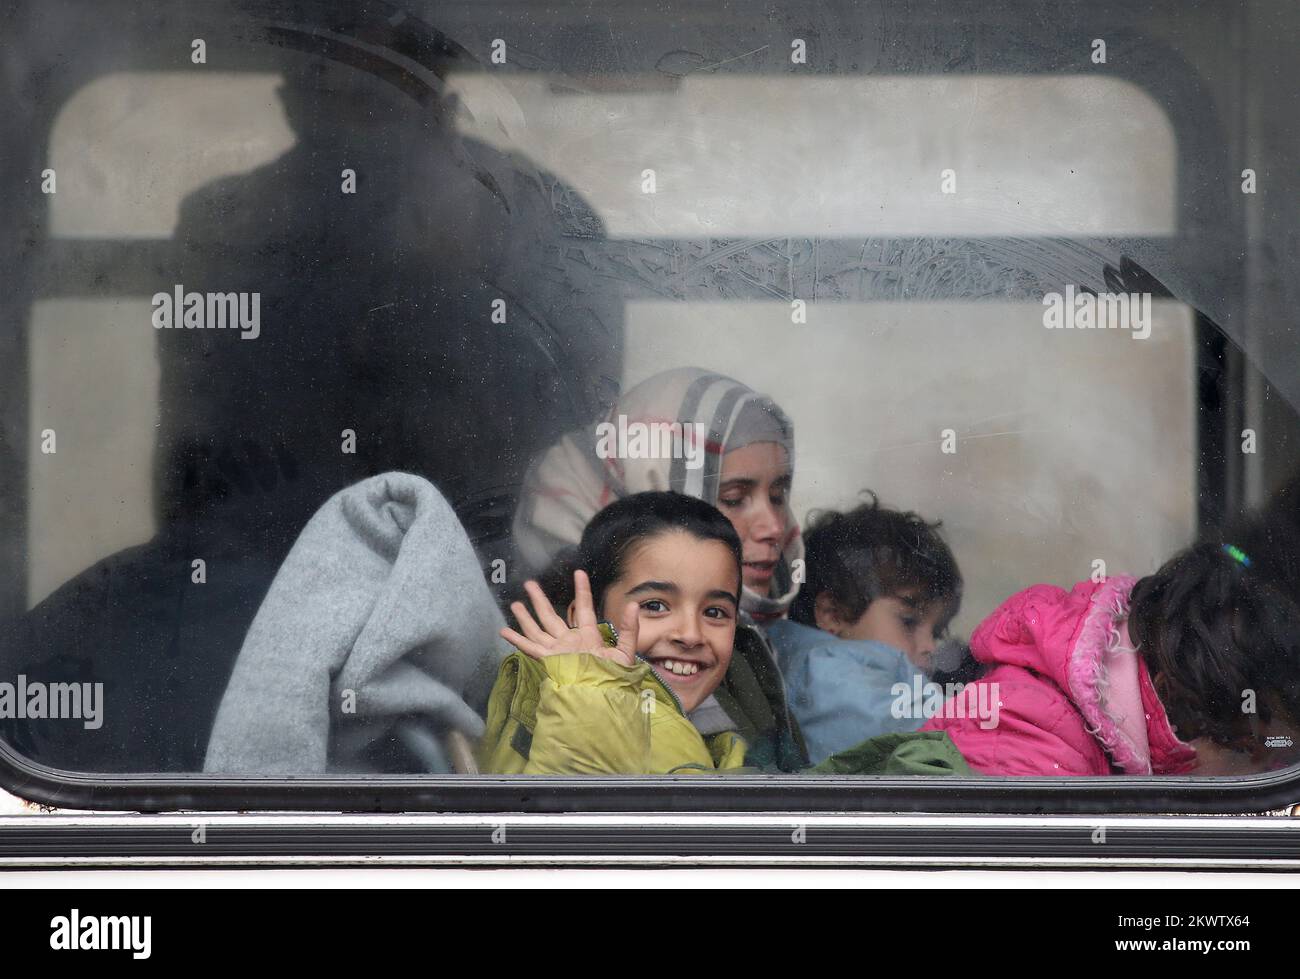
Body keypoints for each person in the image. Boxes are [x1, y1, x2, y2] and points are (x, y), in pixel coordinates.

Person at [479, 492, 969, 776]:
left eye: (716, 612)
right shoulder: (554, 696)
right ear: (583, 616)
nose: (691, 633)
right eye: (655, 605)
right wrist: (587, 678)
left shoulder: (728, 726)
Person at [920, 534, 1300, 776]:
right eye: (1254, 750)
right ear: (1180, 708)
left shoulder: (1104, 741)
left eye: (1281, 763)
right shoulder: (1030, 747)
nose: (1266, 773)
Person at [512, 367, 802, 623]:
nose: (775, 527)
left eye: (777, 496)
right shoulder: (568, 656)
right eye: (734, 499)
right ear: (650, 494)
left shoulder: (758, 648)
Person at [768, 495, 964, 764]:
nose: (930, 646)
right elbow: (887, 722)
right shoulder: (824, 669)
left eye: (937, 631)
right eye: (908, 621)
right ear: (832, 614)